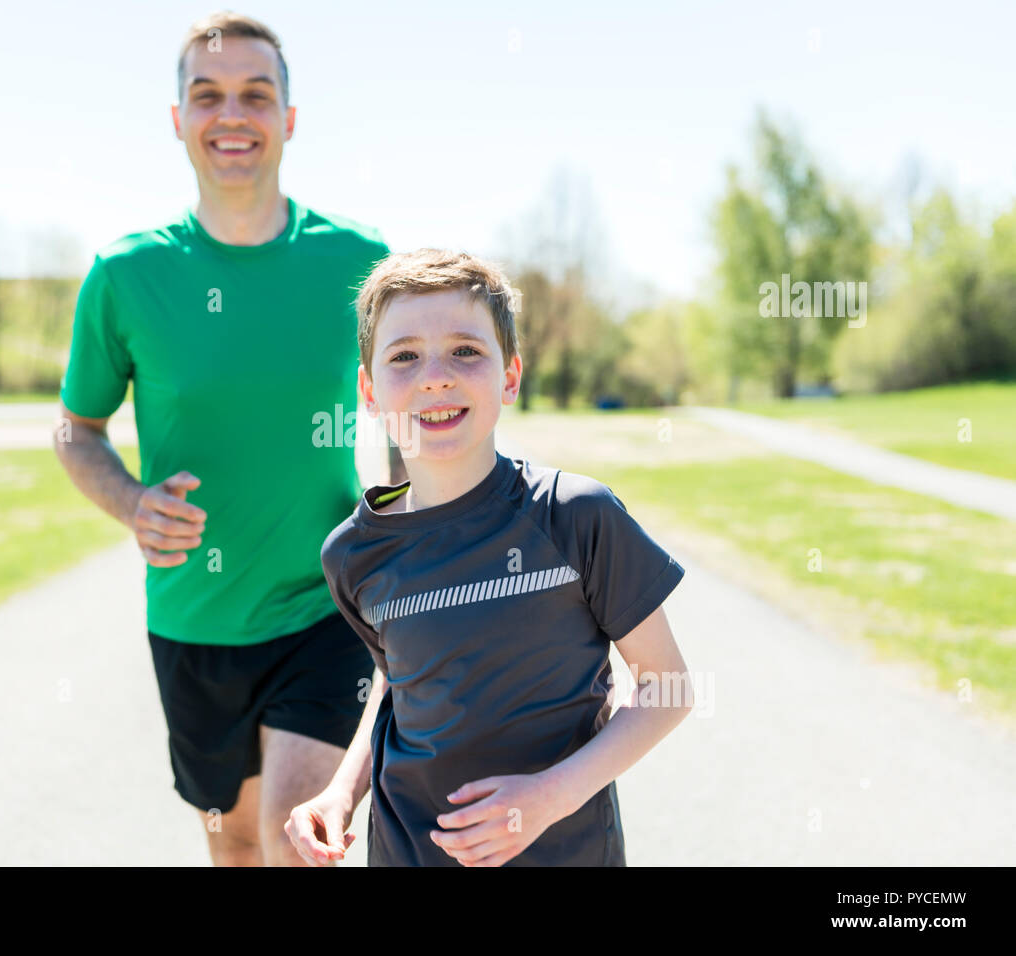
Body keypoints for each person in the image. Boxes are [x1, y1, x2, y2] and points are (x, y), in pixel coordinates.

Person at [53, 11, 394, 867]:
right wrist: (131, 501)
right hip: (193, 621)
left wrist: (414, 539)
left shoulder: (359, 262)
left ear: (289, 118)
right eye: (208, 96)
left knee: (295, 837)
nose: (231, 114)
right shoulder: (126, 274)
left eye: (256, 94)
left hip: (325, 606)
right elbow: (75, 429)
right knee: (235, 843)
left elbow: (404, 420)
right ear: (179, 119)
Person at [286, 248, 696, 866]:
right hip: (407, 851)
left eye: (466, 351)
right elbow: (400, 681)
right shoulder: (353, 552)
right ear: (369, 391)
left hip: (566, 850)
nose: (435, 376)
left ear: (510, 376)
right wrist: (341, 792)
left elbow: (668, 688)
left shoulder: (574, 515)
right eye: (404, 356)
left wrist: (547, 797)